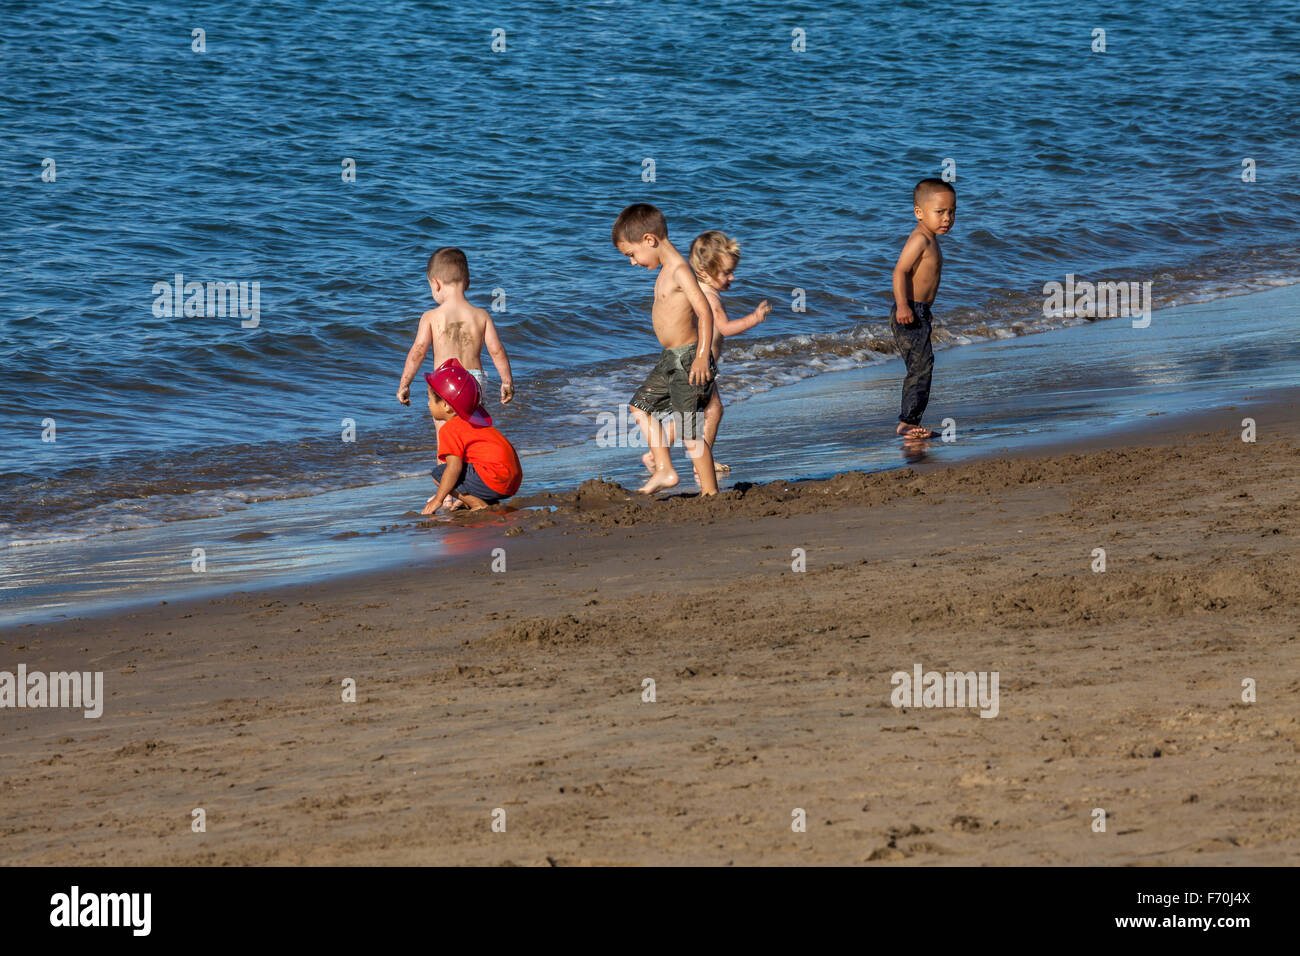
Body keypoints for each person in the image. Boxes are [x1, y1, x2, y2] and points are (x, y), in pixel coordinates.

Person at [641, 230, 769, 481]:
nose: (732, 277)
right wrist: (754, 318)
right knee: (712, 410)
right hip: (698, 365)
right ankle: (697, 462)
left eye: (732, 271)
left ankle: (659, 456)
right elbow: (724, 328)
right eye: (726, 272)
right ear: (704, 270)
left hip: (693, 364)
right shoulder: (709, 296)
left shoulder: (699, 289)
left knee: (690, 414)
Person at [611, 203, 719, 495]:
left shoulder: (680, 271)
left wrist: (700, 358)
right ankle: (665, 470)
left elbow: (705, 313)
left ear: (649, 240)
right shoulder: (665, 271)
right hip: (670, 359)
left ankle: (710, 493)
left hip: (687, 358)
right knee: (640, 407)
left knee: (689, 431)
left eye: (631, 255)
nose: (632, 262)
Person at [397, 247, 514, 434]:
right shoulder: (481, 315)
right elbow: (496, 350)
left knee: (446, 438)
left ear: (436, 284)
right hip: (473, 382)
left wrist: (405, 384)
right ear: (467, 284)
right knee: (473, 433)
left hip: (445, 383)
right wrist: (506, 381)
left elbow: (418, 351)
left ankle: (447, 463)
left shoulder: (431, 316)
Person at [890, 178, 955, 440]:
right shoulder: (920, 239)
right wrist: (904, 305)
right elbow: (900, 271)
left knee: (923, 365)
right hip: (909, 311)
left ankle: (910, 420)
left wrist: (924, 310)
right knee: (920, 366)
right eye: (940, 212)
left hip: (919, 312)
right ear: (919, 212)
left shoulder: (930, 239)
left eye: (952, 212)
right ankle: (907, 423)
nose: (947, 218)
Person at [421, 358, 522, 513]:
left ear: (446, 406)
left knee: (439, 474)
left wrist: (437, 500)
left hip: (496, 481)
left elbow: (454, 468)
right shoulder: (474, 422)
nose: (428, 404)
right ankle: (481, 499)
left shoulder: (450, 429)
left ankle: (478, 504)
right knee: (466, 466)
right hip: (512, 482)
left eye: (430, 399)